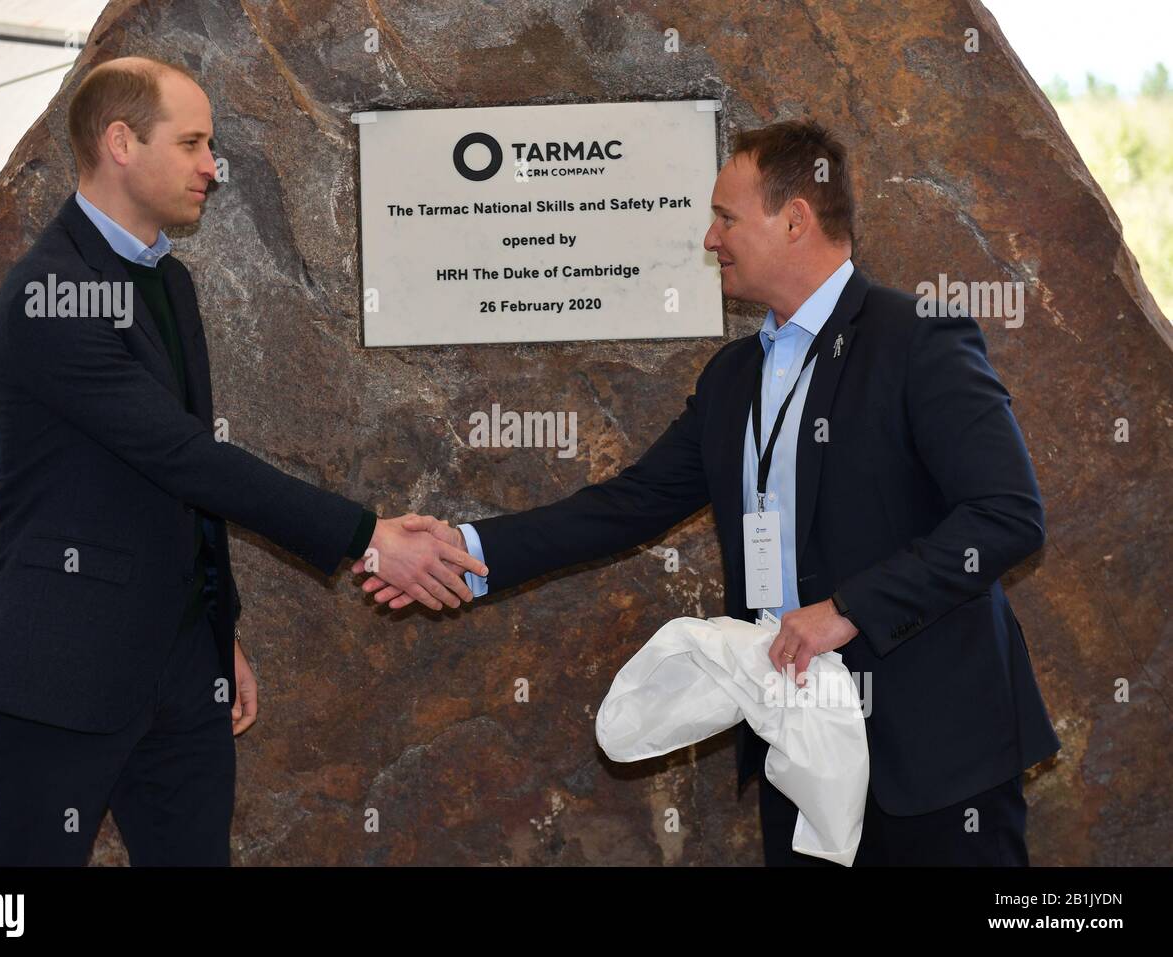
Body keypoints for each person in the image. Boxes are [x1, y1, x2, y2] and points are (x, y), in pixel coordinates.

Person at [361, 120, 1061, 866]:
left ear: (795, 219)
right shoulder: (732, 378)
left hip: (934, 757)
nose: (709, 238)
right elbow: (629, 503)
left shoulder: (916, 338)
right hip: (794, 749)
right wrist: (467, 549)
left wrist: (851, 609)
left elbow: (1007, 516)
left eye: (727, 217)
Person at [0, 56, 486, 866]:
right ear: (120, 143)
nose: (214, 166)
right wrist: (368, 535)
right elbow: (184, 457)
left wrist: (218, 630)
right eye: (194, 143)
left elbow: (184, 486)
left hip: (181, 676)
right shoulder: (47, 293)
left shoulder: (169, 284)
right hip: (58, 672)